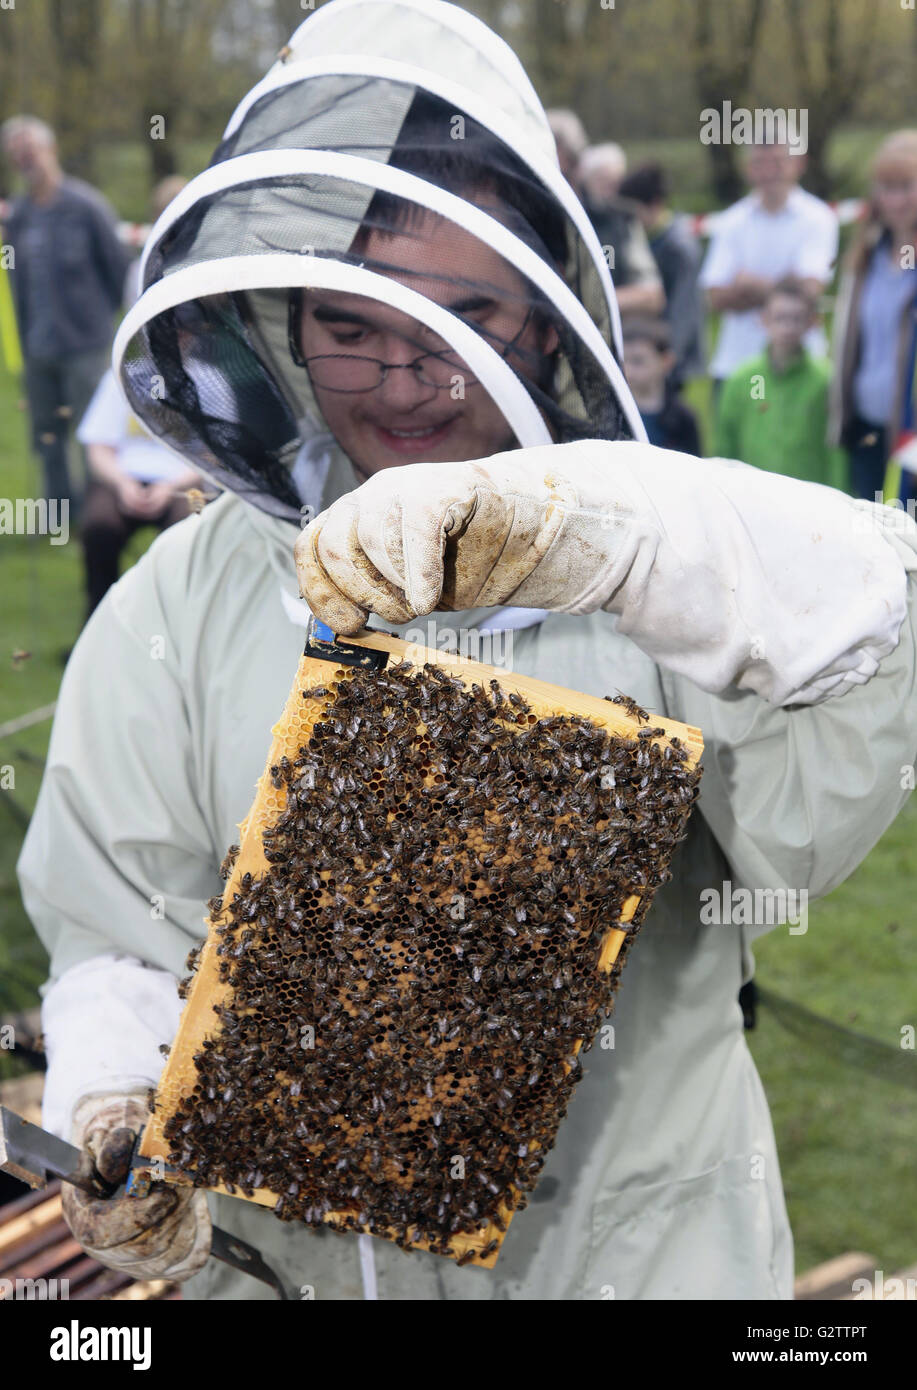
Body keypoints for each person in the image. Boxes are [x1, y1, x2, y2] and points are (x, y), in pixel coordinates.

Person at [17, 0, 917, 1303]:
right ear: (280, 320)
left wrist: (631, 549)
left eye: (466, 318)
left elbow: (865, 645)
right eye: (354, 323)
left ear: (547, 321)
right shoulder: (178, 605)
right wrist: (113, 1078)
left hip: (639, 1258)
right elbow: (119, 923)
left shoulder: (657, 561)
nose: (408, 377)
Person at [1, 116, 130, 518]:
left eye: (31, 152)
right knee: (47, 436)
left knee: (92, 434)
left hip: (85, 345)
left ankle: (98, 515)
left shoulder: (86, 207)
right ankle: (58, 516)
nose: (26, 162)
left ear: (50, 151)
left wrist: (100, 323)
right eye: (17, 156)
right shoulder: (19, 216)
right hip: (38, 347)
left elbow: (118, 270)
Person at [699, 141, 838, 396]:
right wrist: (786, 289)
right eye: (760, 164)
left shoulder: (819, 218)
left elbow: (810, 291)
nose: (769, 172)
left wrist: (747, 284)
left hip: (798, 366)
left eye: (778, 162)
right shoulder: (730, 221)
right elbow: (716, 297)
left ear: (799, 163)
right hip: (735, 364)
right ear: (747, 168)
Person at [828, 130, 917, 506]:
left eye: (905, 187)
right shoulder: (865, 257)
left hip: (911, 429)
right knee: (875, 532)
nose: (894, 200)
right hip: (866, 423)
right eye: (886, 187)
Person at [76, 369, 202, 619]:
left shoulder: (206, 378)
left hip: (187, 483)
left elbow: (212, 456)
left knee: (191, 533)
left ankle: (182, 623)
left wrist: (170, 487)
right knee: (98, 527)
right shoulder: (119, 377)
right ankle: (97, 619)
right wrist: (122, 483)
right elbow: (97, 447)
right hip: (119, 478)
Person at [716, 279, 849, 490]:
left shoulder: (826, 380)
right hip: (752, 494)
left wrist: (840, 495)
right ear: (764, 319)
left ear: (812, 322)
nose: (788, 327)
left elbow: (837, 449)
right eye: (780, 318)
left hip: (811, 496)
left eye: (797, 318)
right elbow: (725, 443)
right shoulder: (741, 379)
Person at [618, 161, 705, 383]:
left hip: (671, 359)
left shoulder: (680, 247)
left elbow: (685, 306)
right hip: (646, 353)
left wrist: (670, 354)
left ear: (655, 205)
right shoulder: (643, 239)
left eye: (634, 211)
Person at [576, 143, 665, 319]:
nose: (611, 192)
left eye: (616, 183)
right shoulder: (574, 220)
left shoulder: (625, 223)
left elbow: (652, 294)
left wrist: (601, 302)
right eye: (603, 182)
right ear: (587, 181)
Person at [621, 316, 701, 455]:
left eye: (638, 361)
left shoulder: (683, 419)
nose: (628, 371)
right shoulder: (614, 414)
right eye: (623, 361)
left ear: (666, 361)